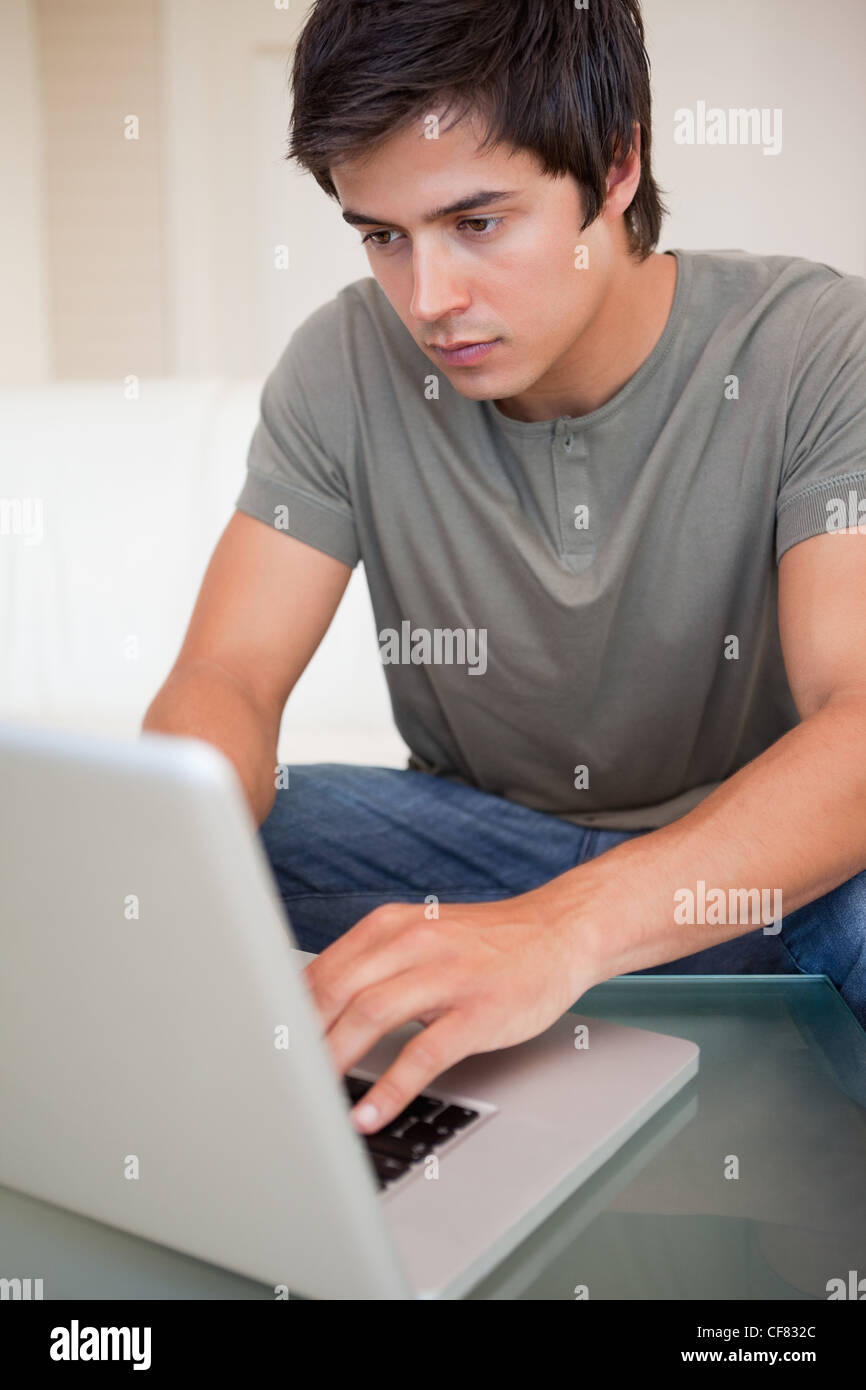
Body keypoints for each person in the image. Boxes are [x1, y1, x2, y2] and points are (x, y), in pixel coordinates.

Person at [143, 0, 866, 1136]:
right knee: (222, 840)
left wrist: (563, 930)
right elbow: (228, 675)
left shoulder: (816, 346)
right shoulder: (341, 364)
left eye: (476, 222)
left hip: (754, 882)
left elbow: (858, 721)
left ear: (615, 160)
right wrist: (162, 872)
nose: (427, 299)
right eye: (382, 235)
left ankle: (587, 977)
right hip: (477, 854)